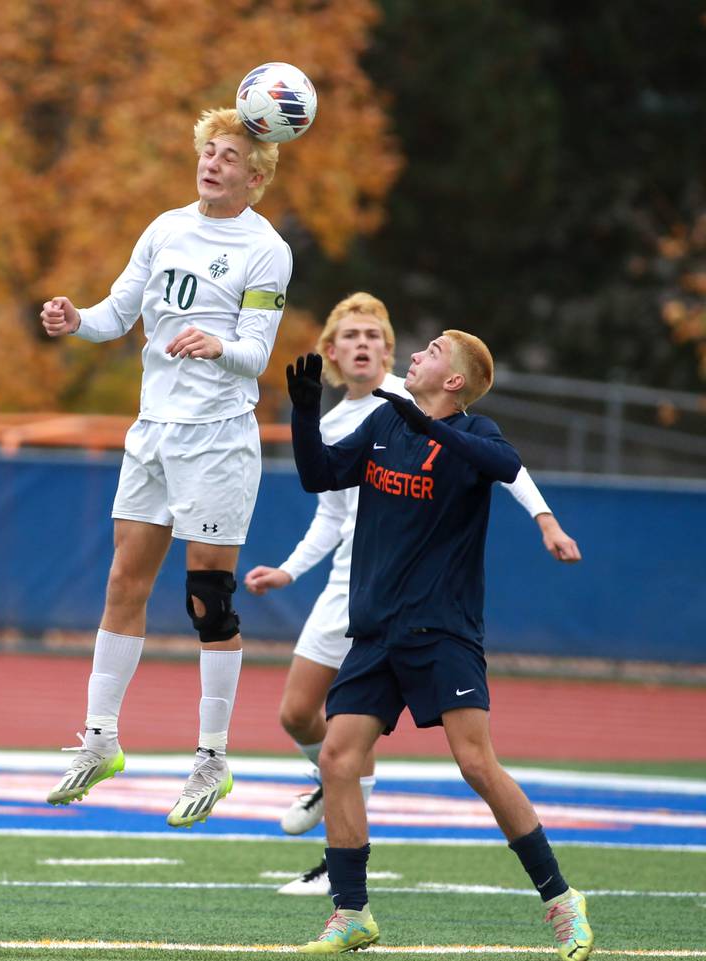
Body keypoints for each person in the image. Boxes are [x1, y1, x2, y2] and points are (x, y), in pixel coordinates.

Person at [244, 293, 581, 896]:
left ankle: (558, 894)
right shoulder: (383, 421)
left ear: (452, 380)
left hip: (439, 627)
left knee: (475, 763)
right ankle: (350, 912)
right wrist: (303, 412)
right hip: (375, 624)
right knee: (336, 757)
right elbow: (320, 477)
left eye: (431, 349)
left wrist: (546, 520)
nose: (415, 352)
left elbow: (505, 464)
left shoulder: (470, 430)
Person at [39, 107, 292, 829]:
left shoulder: (267, 249)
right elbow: (116, 315)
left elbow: (256, 353)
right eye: (208, 151)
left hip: (217, 439)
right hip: (152, 432)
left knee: (207, 599)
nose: (212, 163)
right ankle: (100, 740)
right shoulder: (164, 228)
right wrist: (75, 321)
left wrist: (217, 345)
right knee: (124, 581)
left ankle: (212, 757)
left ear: (256, 176)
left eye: (229, 156)